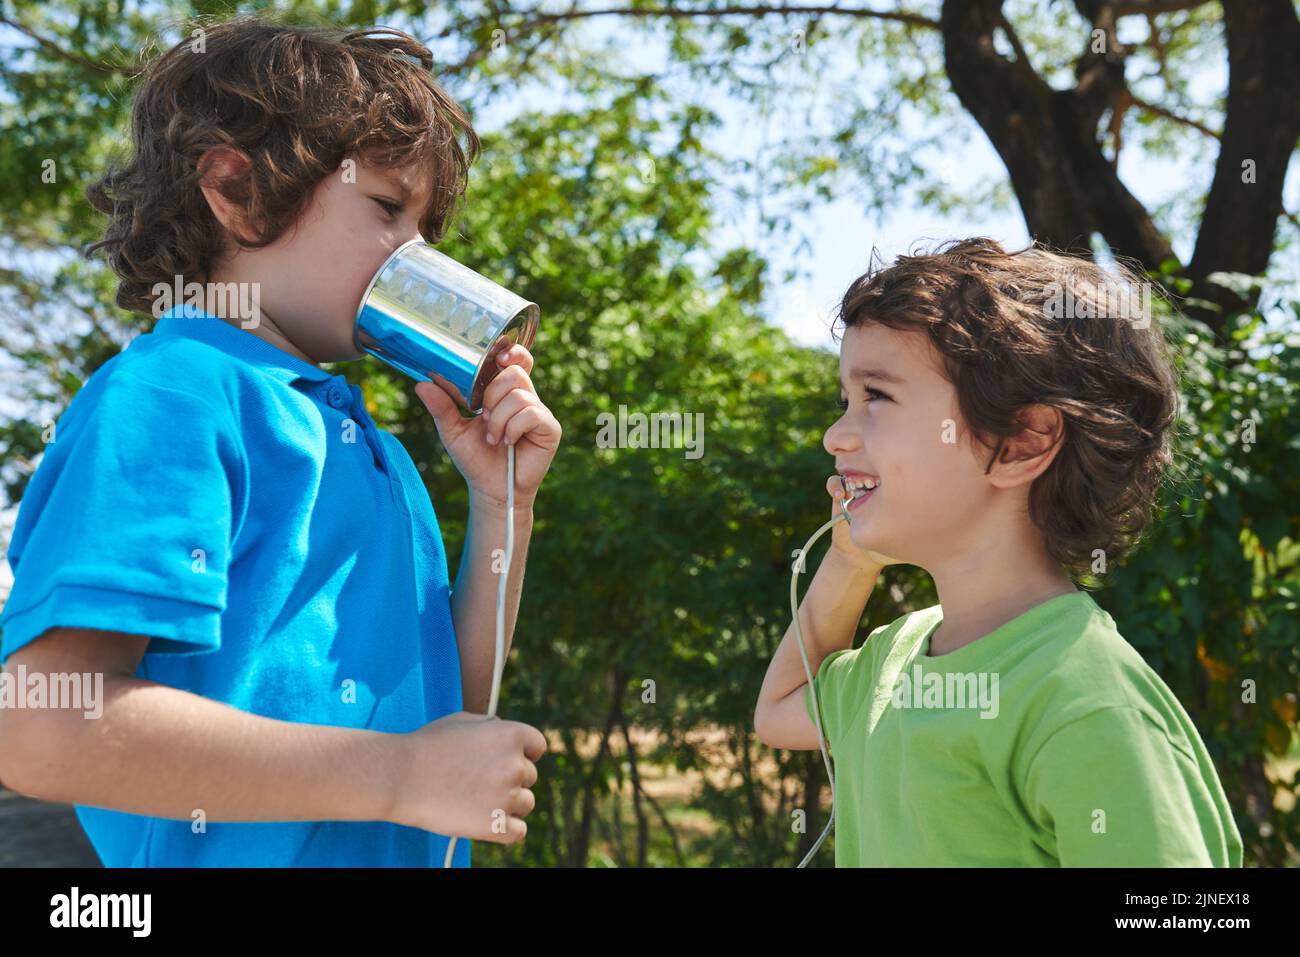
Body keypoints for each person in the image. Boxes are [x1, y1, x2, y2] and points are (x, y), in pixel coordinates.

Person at [0, 14, 561, 867]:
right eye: (385, 209)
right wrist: (399, 773)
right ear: (237, 189)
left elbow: (449, 705)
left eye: (426, 234)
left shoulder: (378, 450)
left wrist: (501, 507)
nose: (416, 258)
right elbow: (40, 725)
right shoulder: (176, 392)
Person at [753, 238, 1242, 867]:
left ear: (1020, 443)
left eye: (877, 396)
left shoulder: (1083, 701)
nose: (835, 435)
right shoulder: (896, 660)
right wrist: (850, 560)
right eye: (845, 402)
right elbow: (778, 712)